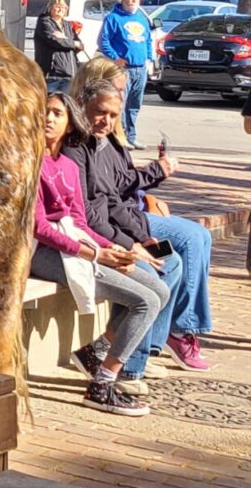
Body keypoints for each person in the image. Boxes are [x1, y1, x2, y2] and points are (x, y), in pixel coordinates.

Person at [31, 91, 168, 416]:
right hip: (41, 252)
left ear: (68, 125)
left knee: (159, 290)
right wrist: (94, 255)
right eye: (45, 112)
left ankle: (96, 352)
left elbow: (78, 220)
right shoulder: (28, 161)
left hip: (75, 244)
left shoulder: (65, 164)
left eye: (57, 114)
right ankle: (102, 384)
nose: (49, 118)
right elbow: (37, 227)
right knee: (145, 301)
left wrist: (116, 248)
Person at [69, 84, 213, 375]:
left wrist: (142, 237)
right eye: (100, 113)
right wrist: (127, 245)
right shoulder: (76, 149)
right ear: (82, 107)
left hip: (120, 230)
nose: (106, 121)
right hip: (87, 240)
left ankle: (124, 350)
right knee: (148, 279)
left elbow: (117, 201)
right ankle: (128, 368)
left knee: (171, 262)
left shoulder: (108, 144)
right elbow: (89, 215)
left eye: (113, 115)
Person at [98, 0, 152, 148]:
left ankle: (131, 136)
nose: (132, 1)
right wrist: (116, 58)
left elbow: (148, 40)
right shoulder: (113, 18)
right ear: (123, 0)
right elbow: (103, 41)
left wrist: (149, 59)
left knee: (135, 105)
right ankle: (118, 137)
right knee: (120, 103)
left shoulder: (142, 18)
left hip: (140, 68)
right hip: (123, 70)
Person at [33, 0, 83, 93]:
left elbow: (79, 45)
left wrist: (65, 39)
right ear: (50, 8)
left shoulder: (68, 25)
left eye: (64, 7)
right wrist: (71, 43)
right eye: (57, 6)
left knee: (66, 104)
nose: (61, 9)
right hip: (52, 73)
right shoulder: (44, 22)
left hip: (69, 73)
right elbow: (54, 41)